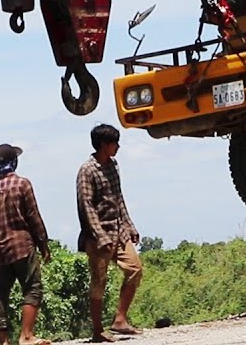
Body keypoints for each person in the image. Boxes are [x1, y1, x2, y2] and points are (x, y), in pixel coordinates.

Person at [0, 144, 52, 345]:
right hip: (22, 247)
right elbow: (33, 216)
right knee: (32, 288)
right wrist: (43, 244)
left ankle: (3, 341)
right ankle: (26, 335)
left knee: (0, 295)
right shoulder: (22, 184)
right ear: (14, 162)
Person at [77, 124, 144, 342]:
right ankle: (97, 331)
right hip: (98, 236)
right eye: (115, 142)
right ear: (104, 145)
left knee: (135, 269)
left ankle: (120, 320)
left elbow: (118, 198)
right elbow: (86, 206)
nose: (118, 146)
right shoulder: (87, 171)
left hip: (119, 231)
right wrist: (100, 236)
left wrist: (129, 225)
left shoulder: (113, 165)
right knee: (99, 282)